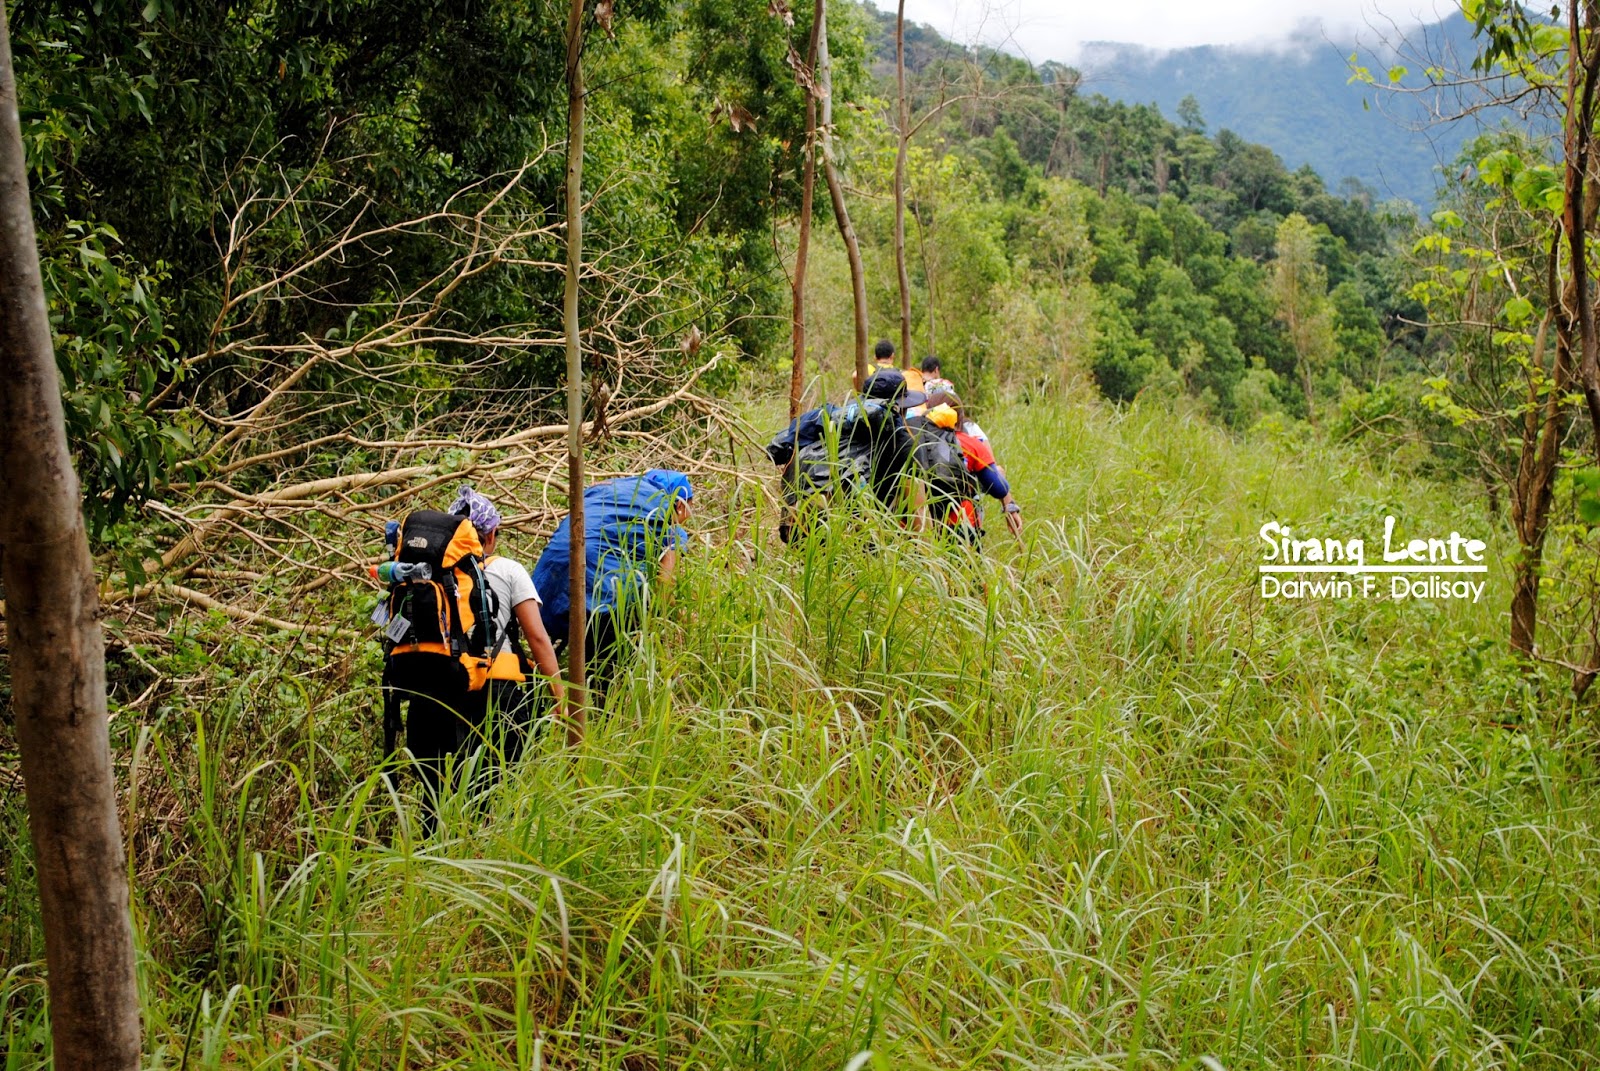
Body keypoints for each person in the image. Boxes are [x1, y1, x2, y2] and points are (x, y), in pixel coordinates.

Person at [532, 469, 693, 700]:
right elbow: (663, 584)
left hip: (551, 573)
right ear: (679, 505)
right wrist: (671, 621)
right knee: (610, 644)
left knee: (569, 633)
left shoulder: (605, 489)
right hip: (599, 580)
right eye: (690, 507)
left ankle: (547, 702)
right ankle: (603, 712)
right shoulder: (670, 526)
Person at [448, 485, 564, 766]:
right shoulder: (509, 570)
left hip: (443, 693)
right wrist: (562, 700)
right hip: (497, 693)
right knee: (502, 789)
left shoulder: (434, 575)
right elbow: (537, 638)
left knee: (445, 791)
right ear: (490, 534)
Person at [767, 368, 927, 542]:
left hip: (802, 530)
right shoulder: (903, 443)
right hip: (860, 540)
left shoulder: (830, 423)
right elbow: (919, 513)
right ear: (899, 406)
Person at [916, 401, 1023, 541]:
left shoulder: (915, 442)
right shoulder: (970, 444)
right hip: (960, 522)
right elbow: (998, 488)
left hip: (922, 522)